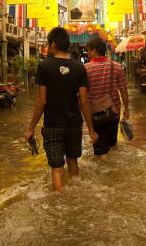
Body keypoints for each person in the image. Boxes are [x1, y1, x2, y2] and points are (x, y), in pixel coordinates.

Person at [25, 27, 98, 191]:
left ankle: (61, 207)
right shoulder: (80, 68)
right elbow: (84, 101)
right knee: (73, 162)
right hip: (74, 124)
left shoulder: (44, 66)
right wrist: (91, 129)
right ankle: (76, 196)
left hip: (52, 125)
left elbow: (41, 101)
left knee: (57, 169)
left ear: (52, 44)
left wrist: (30, 128)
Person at [84, 36, 130, 158]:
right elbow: (124, 91)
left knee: (101, 151)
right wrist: (127, 109)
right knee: (112, 145)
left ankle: (106, 173)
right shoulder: (117, 66)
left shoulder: (85, 69)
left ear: (93, 51)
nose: (87, 53)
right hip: (113, 112)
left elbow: (82, 97)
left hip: (95, 114)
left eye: (88, 50)